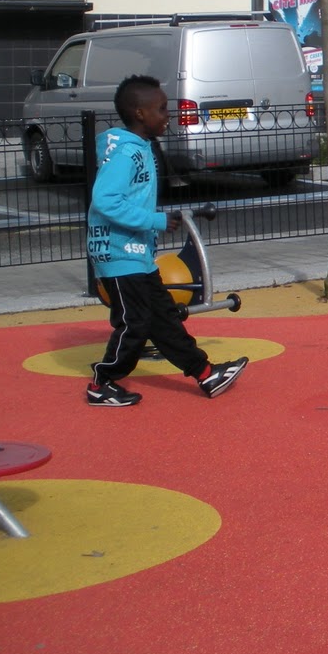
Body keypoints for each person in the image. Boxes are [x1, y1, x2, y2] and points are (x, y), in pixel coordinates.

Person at [85, 75, 249, 406]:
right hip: (117, 252)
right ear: (140, 113)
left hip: (136, 252)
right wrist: (155, 221)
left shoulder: (140, 148)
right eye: (161, 109)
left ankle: (204, 373)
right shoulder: (126, 154)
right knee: (137, 321)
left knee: (163, 317)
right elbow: (105, 200)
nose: (167, 116)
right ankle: (103, 382)